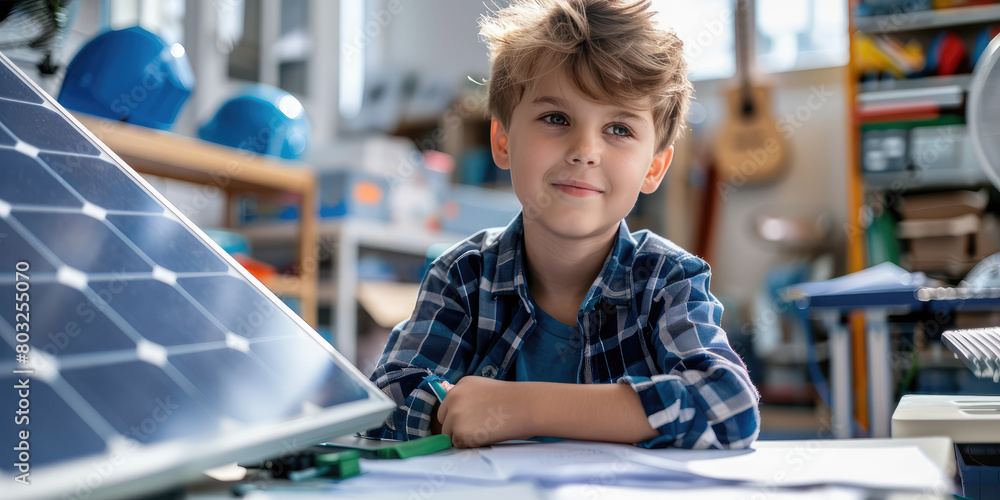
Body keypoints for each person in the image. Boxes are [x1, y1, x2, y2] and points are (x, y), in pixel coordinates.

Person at [366, 0, 760, 449]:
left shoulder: (668, 280)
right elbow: (386, 404)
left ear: (654, 167)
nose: (585, 150)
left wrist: (524, 408)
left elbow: (731, 407)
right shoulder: (462, 275)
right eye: (556, 118)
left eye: (619, 129)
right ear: (503, 142)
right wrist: (448, 411)